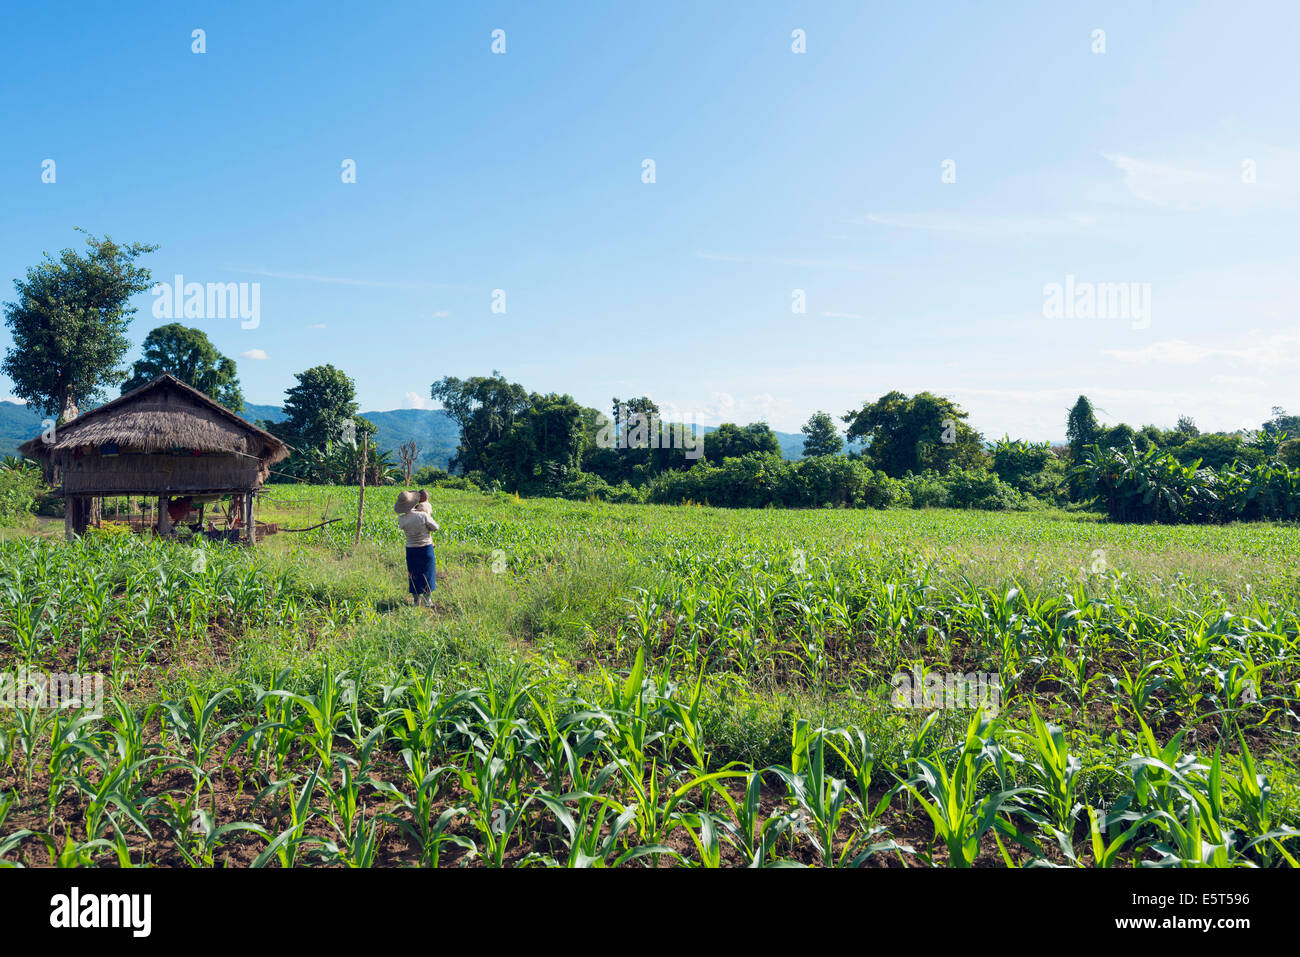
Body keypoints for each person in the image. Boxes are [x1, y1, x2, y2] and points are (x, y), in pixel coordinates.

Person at [395, 490, 440, 606]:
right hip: (426, 548)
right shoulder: (423, 515)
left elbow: (408, 519)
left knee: (413, 574)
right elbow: (436, 527)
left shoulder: (401, 519)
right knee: (428, 573)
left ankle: (416, 601)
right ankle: (427, 601)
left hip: (411, 549)